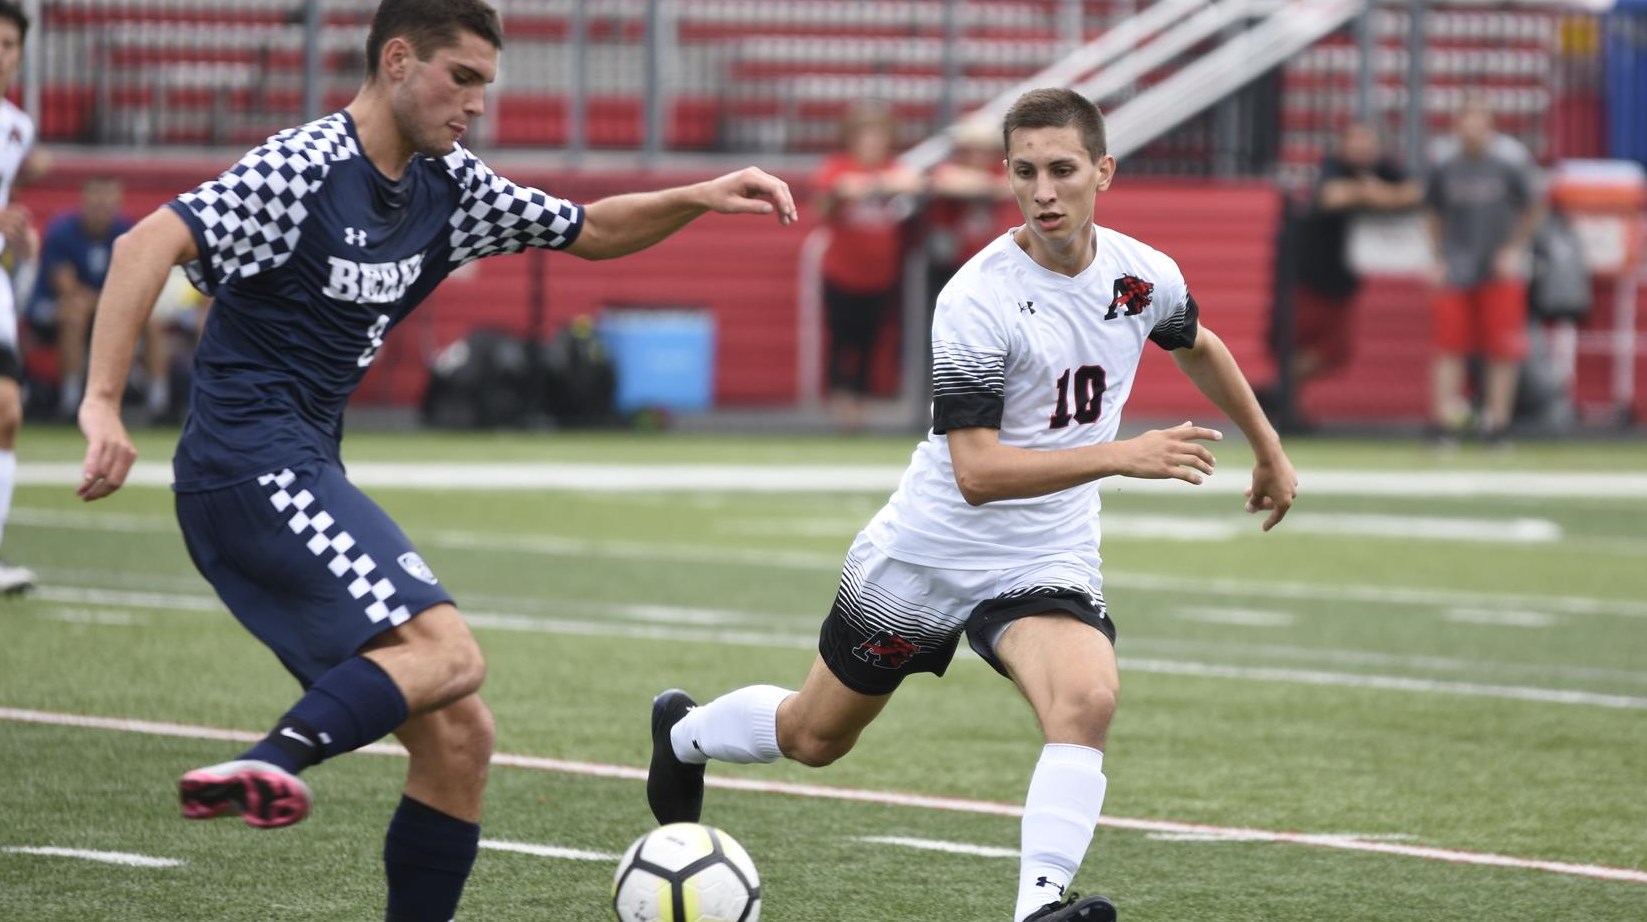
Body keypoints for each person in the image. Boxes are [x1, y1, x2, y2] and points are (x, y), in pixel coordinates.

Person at [75, 2, 796, 921]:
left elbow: (589, 228)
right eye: (462, 79)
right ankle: (269, 761)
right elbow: (146, 243)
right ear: (398, 59)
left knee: (459, 739)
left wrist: (696, 195)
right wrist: (101, 402)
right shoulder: (302, 168)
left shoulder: (448, 184)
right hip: (253, 468)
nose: (477, 105)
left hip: (300, 469)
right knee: (448, 653)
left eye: (487, 86)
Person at [647, 88, 1297, 922]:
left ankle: (1036, 907)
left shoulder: (1141, 275)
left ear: (1104, 171)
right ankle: (684, 734)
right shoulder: (976, 299)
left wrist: (1268, 448)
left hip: (1045, 553)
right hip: (931, 550)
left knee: (1086, 699)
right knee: (815, 737)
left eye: (1062, 170)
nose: (1044, 191)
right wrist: (1121, 455)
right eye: (1024, 172)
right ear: (1007, 177)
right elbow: (976, 473)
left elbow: (1195, 343)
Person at [1258, 121, 1421, 430]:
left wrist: (1377, 193)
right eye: (1355, 141)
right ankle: (1287, 406)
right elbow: (1331, 195)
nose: (1361, 149)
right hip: (1309, 275)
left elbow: (1415, 192)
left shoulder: (1385, 168)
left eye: (1367, 142)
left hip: (1341, 281)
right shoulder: (1332, 167)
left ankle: (1277, 395)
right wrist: (1369, 192)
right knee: (1299, 345)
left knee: (1335, 352)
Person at [1425, 99, 1540, 447]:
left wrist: (1513, 248)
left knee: (1502, 348)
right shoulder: (1443, 160)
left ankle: (1498, 424)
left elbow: (1535, 205)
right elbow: (1432, 212)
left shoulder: (1511, 160)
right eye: (1467, 123)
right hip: (1457, 265)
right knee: (1449, 347)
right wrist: (1437, 257)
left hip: (1499, 268)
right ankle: (1443, 424)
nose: (1473, 131)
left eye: (1480, 123)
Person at [813, 99, 925, 432]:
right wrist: (859, 187)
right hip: (842, 271)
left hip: (881, 274)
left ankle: (860, 404)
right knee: (841, 339)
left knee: (869, 342)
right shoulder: (838, 166)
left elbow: (915, 183)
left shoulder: (894, 168)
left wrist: (872, 185)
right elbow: (826, 198)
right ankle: (842, 405)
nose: (872, 144)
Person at [0, 0, 48, 594]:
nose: (2, 56)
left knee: (7, 411)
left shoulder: (17, 127)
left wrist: (18, 237)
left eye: (10, 46)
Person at [27, 176, 138, 419]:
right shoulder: (62, 231)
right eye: (96, 198)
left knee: (152, 318)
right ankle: (70, 399)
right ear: (84, 201)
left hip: (102, 307)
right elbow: (67, 288)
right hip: (51, 307)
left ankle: (157, 400)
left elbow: (135, 282)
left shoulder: (127, 231)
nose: (101, 205)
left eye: (107, 199)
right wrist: (111, 303)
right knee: (75, 312)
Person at [924, 116, 1012, 312]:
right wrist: (989, 187)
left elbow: (1011, 185)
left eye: (984, 150)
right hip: (953, 263)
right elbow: (945, 181)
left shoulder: (1002, 170)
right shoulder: (950, 170)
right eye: (972, 149)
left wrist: (986, 186)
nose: (978, 156)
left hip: (992, 265)